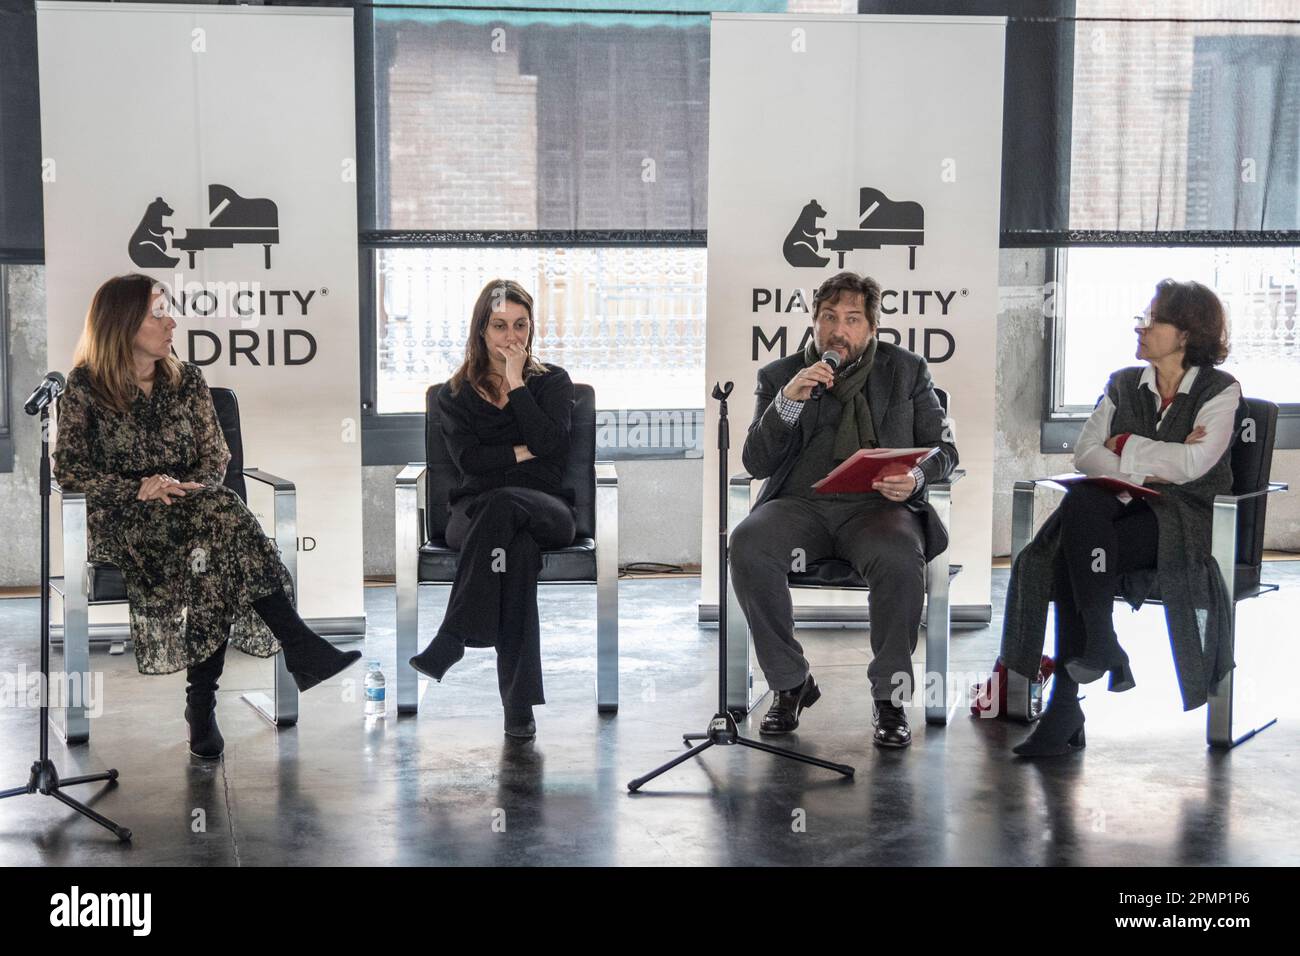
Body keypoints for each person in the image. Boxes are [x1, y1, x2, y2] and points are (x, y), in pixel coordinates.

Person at [52, 273, 362, 760]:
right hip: (126, 522)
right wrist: (138, 488)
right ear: (123, 322)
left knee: (214, 540)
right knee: (221, 527)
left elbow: (216, 457)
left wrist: (183, 487)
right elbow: (70, 471)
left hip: (193, 510)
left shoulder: (187, 380)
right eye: (158, 312)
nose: (171, 321)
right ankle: (276, 657)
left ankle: (204, 706)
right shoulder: (85, 387)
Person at [1000, 278, 1242, 757]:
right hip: (1115, 511)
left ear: (1186, 334)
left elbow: (1194, 467)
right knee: (1082, 504)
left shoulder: (1221, 390)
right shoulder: (1122, 382)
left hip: (1183, 521)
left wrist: (1128, 445)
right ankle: (1101, 643)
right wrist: (1159, 461)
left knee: (1075, 543)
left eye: (1152, 319)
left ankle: (1067, 707)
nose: (1141, 326)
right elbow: (1086, 456)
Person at [729, 271, 958, 749]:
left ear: (872, 327)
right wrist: (787, 403)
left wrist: (915, 478)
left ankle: (889, 698)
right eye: (829, 317)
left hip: (876, 509)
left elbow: (944, 451)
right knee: (749, 543)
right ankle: (789, 683)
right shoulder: (780, 376)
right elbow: (755, 462)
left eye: (853, 319)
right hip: (800, 506)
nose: (839, 330)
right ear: (814, 322)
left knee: (899, 557)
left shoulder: (907, 371)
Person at [407, 279, 577, 740]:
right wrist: (524, 453)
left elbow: (551, 445)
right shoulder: (454, 393)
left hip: (546, 512)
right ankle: (518, 707)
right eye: (500, 326)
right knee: (514, 552)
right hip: (476, 516)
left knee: (505, 504)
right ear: (481, 330)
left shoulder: (552, 383)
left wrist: (519, 384)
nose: (512, 337)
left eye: (521, 325)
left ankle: (453, 634)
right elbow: (470, 463)